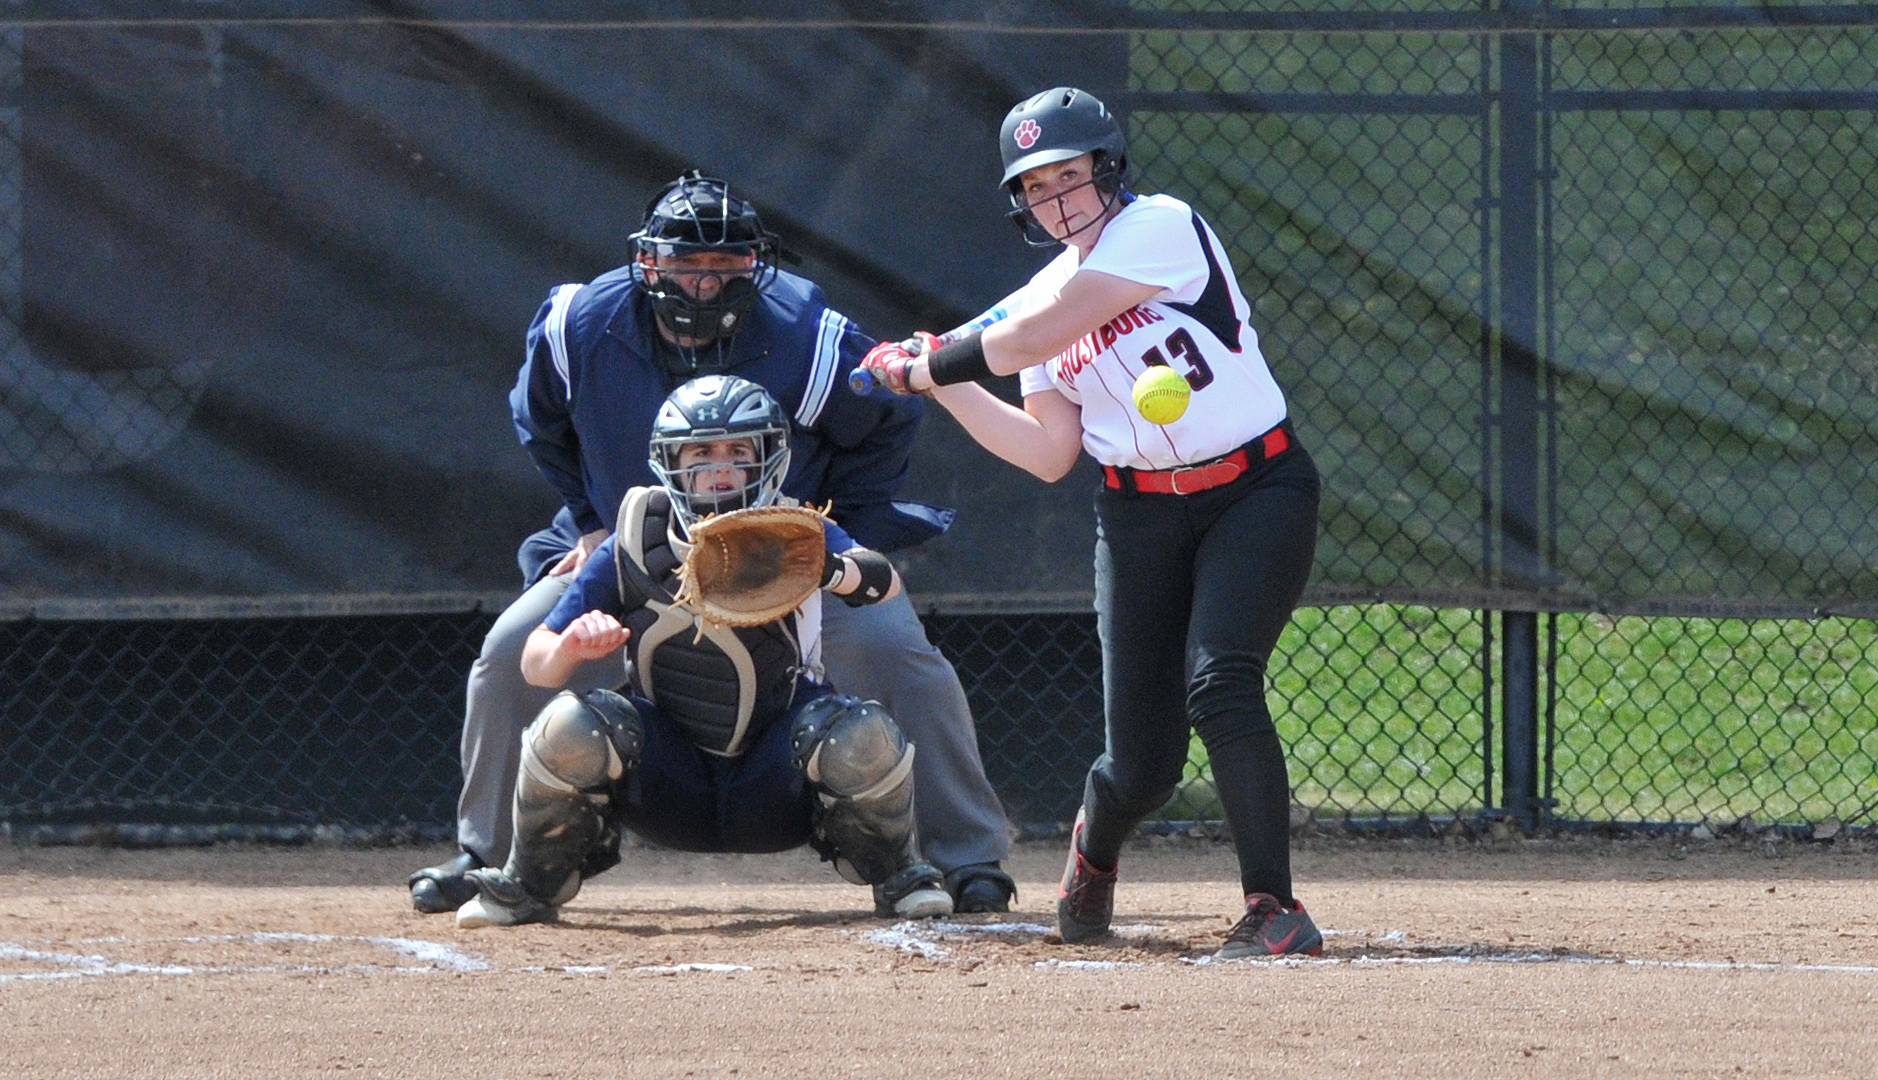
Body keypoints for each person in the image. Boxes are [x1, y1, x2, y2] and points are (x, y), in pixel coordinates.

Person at [411, 170, 1015, 916]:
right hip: (638, 546)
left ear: (756, 266)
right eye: (685, 262)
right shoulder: (579, 324)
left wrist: (823, 541)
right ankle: (488, 854)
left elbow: (888, 423)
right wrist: (593, 519)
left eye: (726, 264)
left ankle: (966, 856)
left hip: (781, 554)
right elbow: (540, 422)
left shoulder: (807, 336)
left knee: (897, 651)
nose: (704, 281)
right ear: (647, 262)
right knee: (509, 652)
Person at [858, 88, 1324, 958]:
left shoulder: (1159, 228)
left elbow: (1031, 337)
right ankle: (1094, 851)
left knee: (1221, 682)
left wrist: (928, 366)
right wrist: (944, 382)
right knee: (1142, 767)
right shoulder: (1039, 299)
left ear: (1107, 168)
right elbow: (1046, 451)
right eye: (1036, 187)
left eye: (1070, 175)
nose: (1058, 198)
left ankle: (1275, 909)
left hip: (1256, 490)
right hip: (1138, 515)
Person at [459, 375, 953, 926]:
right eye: (700, 453)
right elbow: (536, 664)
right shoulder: (636, 537)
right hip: (667, 781)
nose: (720, 468)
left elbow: (884, 584)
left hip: (777, 782)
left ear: (768, 457)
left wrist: (826, 568)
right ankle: (530, 884)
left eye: (738, 451)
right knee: (571, 723)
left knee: (860, 731)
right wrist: (571, 647)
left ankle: (898, 875)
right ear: (669, 462)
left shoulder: (796, 530)